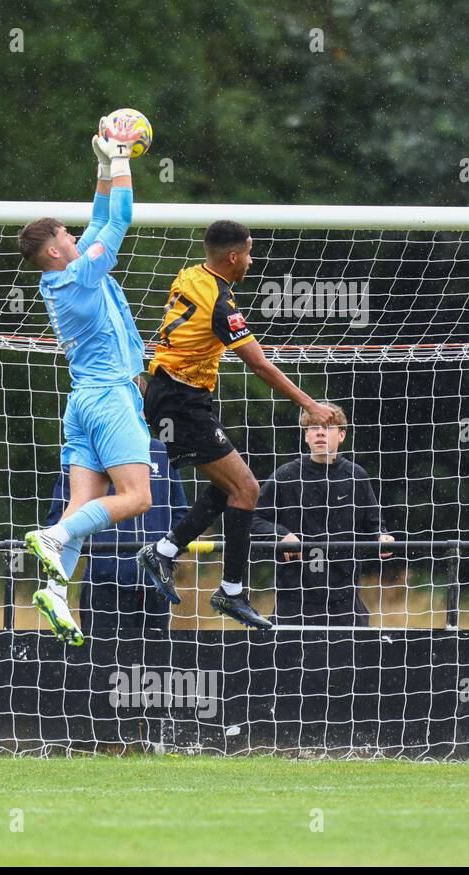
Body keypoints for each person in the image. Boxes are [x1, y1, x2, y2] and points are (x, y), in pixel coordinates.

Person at [135, 220, 338, 630]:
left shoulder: (191, 274)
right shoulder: (221, 305)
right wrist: (310, 405)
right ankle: (230, 592)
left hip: (170, 394)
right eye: (247, 253)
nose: (251, 260)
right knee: (247, 489)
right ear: (232, 257)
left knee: (228, 487)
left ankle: (166, 551)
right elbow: (260, 365)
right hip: (181, 400)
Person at [18, 112, 153, 645]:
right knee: (137, 497)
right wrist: (122, 162)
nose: (75, 235)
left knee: (80, 507)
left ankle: (54, 591)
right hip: (109, 399)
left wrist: (101, 165)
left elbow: (98, 219)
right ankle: (52, 538)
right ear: (55, 250)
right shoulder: (77, 277)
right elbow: (117, 222)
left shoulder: (68, 274)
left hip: (83, 403)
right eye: (65, 234)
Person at [252, 402, 394, 627]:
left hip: (345, 599)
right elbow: (254, 518)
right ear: (306, 436)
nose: (319, 432)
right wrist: (281, 534)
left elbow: (375, 525)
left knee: (351, 660)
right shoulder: (285, 475)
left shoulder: (357, 476)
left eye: (327, 427)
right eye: (313, 427)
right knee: (287, 660)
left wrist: (383, 538)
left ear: (342, 435)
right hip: (294, 598)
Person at [46, 438, 189, 635]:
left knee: (155, 662)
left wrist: (166, 555)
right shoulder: (88, 450)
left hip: (156, 588)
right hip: (104, 585)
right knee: (102, 662)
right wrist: (101, 555)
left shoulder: (161, 452)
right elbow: (59, 517)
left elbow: (180, 514)